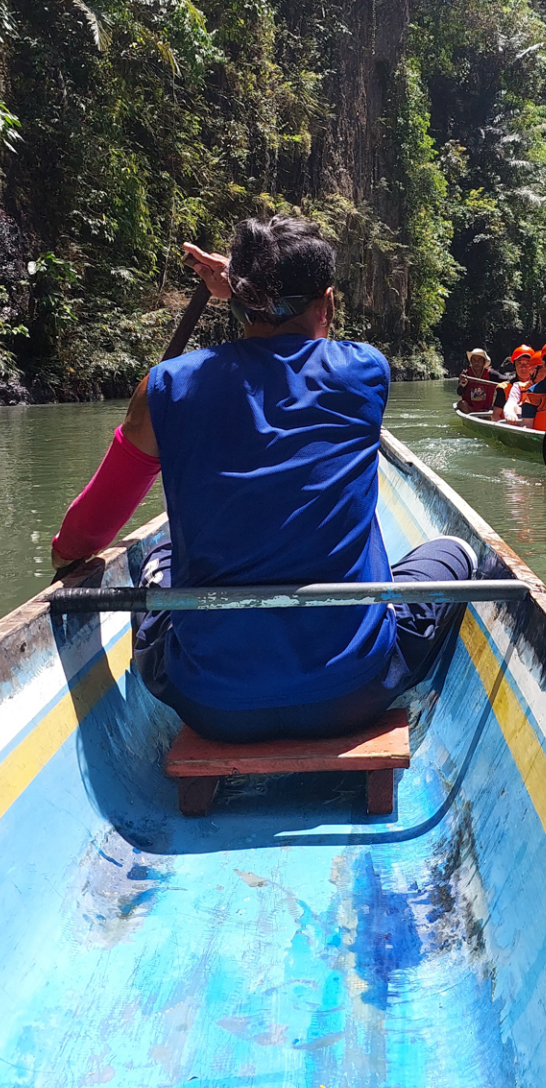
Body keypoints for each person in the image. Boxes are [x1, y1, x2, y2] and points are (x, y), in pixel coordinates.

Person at [50, 215, 477, 743]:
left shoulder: (165, 386)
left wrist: (64, 554)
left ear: (239, 299)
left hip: (209, 703)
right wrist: (248, 287)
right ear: (330, 302)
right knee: (455, 554)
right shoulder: (365, 372)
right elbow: (308, 352)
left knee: (157, 557)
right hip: (352, 691)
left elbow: (84, 538)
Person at [494, 344, 541, 422]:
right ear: (514, 365)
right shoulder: (504, 387)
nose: (523, 367)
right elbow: (496, 415)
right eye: (519, 363)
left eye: (527, 363)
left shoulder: (541, 386)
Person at [456, 348, 502, 414]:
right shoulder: (466, 374)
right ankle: (470, 420)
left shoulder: (491, 374)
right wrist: (463, 385)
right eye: (474, 360)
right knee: (461, 404)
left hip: (487, 410)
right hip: (470, 410)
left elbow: (506, 381)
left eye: (479, 360)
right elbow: (459, 392)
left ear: (484, 362)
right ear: (471, 362)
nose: (476, 362)